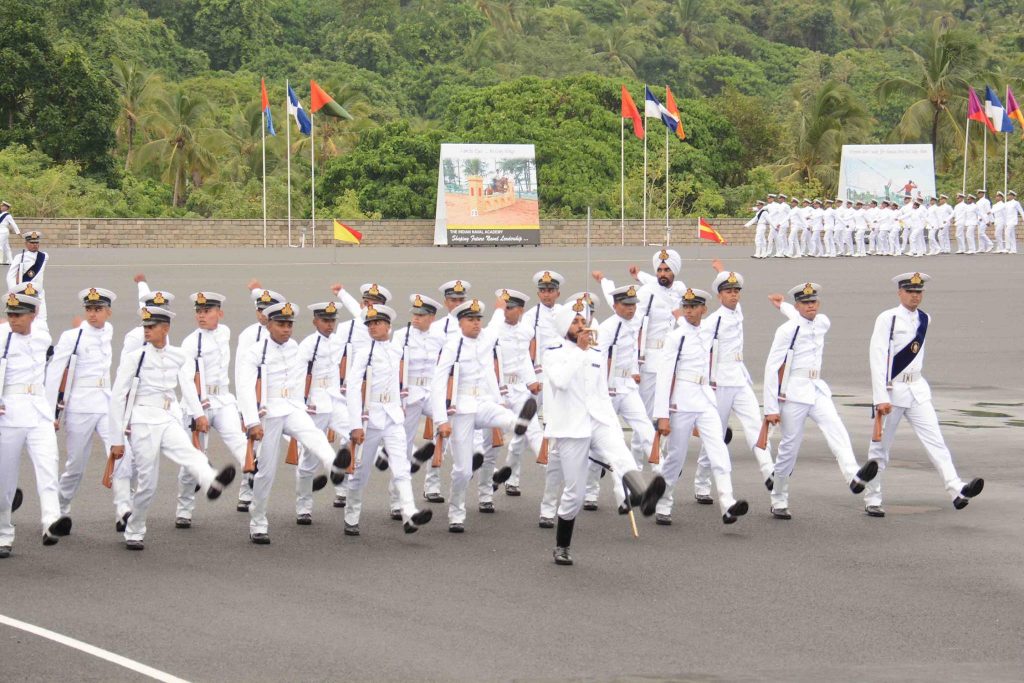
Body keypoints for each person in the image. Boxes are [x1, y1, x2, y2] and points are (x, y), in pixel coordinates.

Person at [543, 304, 666, 566]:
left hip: (599, 419)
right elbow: (560, 381)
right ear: (564, 327)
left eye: (582, 321)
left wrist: (612, 422)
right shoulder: (553, 352)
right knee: (574, 494)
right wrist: (580, 351)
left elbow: (600, 392)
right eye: (575, 322)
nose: (581, 326)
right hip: (571, 427)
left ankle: (642, 495)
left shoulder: (595, 351)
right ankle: (562, 545)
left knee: (621, 454)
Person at [108, 306, 236, 550]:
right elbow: (117, 398)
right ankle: (134, 529)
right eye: (145, 326)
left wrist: (199, 414)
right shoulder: (135, 358)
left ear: (165, 329)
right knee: (148, 483)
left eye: (151, 326)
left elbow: (186, 385)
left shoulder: (178, 356)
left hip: (167, 417)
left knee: (189, 453)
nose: (146, 331)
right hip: (143, 420)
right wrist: (116, 438)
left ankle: (212, 481)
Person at [862, 273, 984, 516]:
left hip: (917, 389)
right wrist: (880, 398)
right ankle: (872, 498)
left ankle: (957, 489)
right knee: (880, 449)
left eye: (918, 291)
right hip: (892, 390)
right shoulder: (888, 319)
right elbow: (877, 358)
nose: (915, 295)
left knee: (936, 442)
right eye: (910, 291)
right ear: (900, 292)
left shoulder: (925, 318)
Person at [762, 284, 878, 519]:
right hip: (793, 392)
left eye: (813, 301)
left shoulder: (823, 322)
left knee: (837, 430)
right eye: (805, 303)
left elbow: (802, 317)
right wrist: (771, 408)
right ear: (798, 305)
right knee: (789, 448)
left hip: (816, 389)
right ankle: (779, 498)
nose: (810, 306)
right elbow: (771, 368)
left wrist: (782, 305)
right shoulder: (786, 331)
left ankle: (854, 477)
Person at [237, 302, 349, 545]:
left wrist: (306, 403)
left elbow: (301, 378)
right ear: (269, 325)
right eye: (281, 324)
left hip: (292, 406)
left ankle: (334, 465)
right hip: (268, 412)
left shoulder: (295, 347)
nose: (286, 329)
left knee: (314, 435)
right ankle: (258, 522)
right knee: (266, 472)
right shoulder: (256, 352)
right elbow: (245, 387)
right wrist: (252, 421)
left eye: (289, 324)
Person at [431, 298, 536, 533]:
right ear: (460, 323)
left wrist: (499, 307)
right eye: (471, 319)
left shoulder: (486, 338)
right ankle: (456, 514)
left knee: (503, 414)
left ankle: (518, 423)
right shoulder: (453, 346)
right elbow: (438, 383)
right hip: (460, 409)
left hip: (482, 402)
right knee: (463, 471)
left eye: (478, 319)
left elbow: (497, 323)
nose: (476, 323)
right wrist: (441, 420)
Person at [653, 287, 749, 525]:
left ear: (704, 309)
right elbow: (665, 375)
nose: (689, 311)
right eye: (685, 307)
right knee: (676, 456)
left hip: (705, 399)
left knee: (718, 448)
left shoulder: (708, 330)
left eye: (694, 307)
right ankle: (663, 503)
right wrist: (662, 414)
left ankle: (728, 503)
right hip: (681, 401)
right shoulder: (676, 337)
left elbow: (733, 317)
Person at [346, 304, 433, 535]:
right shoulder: (364, 353)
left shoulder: (397, 350)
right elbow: (353, 388)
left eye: (377, 323)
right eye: (370, 324)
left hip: (393, 416)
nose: (372, 327)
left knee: (401, 467)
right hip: (370, 417)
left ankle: (410, 513)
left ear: (388, 326)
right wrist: (355, 424)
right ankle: (351, 516)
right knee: (360, 472)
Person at [0, 286, 72, 558]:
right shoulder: (2, 336)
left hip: (39, 412)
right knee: (5, 482)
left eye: (19, 314)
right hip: (8, 413)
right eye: (10, 314)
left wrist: (54, 411)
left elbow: (53, 372)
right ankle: (3, 533)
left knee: (48, 468)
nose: (13, 319)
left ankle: (51, 523)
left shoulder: (42, 336)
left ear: (33, 314)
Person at [693, 267, 775, 502]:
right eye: (728, 291)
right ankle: (702, 483)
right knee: (715, 435)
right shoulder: (713, 322)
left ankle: (769, 471)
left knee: (756, 426)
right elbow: (701, 353)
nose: (734, 295)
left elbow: (735, 303)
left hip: (739, 379)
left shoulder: (737, 311)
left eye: (736, 291)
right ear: (719, 295)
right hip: (718, 383)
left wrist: (722, 270)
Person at [175, 291, 252, 528]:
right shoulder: (190, 342)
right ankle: (184, 510)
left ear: (220, 313)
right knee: (194, 458)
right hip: (198, 401)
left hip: (223, 399)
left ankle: (253, 479)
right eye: (198, 311)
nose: (201, 316)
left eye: (207, 311)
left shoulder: (225, 332)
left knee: (241, 443)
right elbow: (186, 381)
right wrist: (198, 413)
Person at [46, 287, 117, 521]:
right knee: (75, 466)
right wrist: (51, 413)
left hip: (105, 403)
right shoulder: (72, 337)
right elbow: (55, 373)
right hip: (80, 406)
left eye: (98, 309)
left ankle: (124, 510)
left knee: (119, 455)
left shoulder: (108, 330)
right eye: (89, 309)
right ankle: (60, 508)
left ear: (108, 312)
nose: (92, 313)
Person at [482, 288, 542, 504]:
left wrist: (531, 380)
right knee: (490, 443)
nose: (506, 311)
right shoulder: (493, 329)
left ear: (520, 310)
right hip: (497, 390)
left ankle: (550, 462)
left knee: (534, 429)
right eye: (504, 308)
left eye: (510, 308)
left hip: (519, 389)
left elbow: (523, 356)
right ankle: (487, 488)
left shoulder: (526, 330)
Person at [293, 300, 350, 525]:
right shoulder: (308, 345)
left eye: (332, 321)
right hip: (314, 403)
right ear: (315, 321)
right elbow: (299, 376)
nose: (329, 325)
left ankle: (343, 485)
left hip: (334, 400)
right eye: (325, 320)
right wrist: (302, 404)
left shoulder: (337, 341)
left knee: (355, 433)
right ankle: (303, 507)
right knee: (309, 459)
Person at [6, 231, 48, 322]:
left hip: (39, 293)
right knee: (26, 320)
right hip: (25, 293)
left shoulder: (44, 256)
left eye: (36, 242)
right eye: (32, 242)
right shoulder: (19, 257)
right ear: (26, 244)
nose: (35, 245)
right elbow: (10, 276)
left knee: (42, 320)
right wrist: (14, 291)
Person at [0, 200, 20, 264]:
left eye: (3, 206)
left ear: (6, 208)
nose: (1, 206)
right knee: (7, 247)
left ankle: (0, 260)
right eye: (1, 205)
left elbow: (13, 224)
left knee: (0, 246)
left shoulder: (8, 215)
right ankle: (11, 260)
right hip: (1, 231)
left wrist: (18, 232)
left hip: (3, 232)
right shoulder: (1, 214)